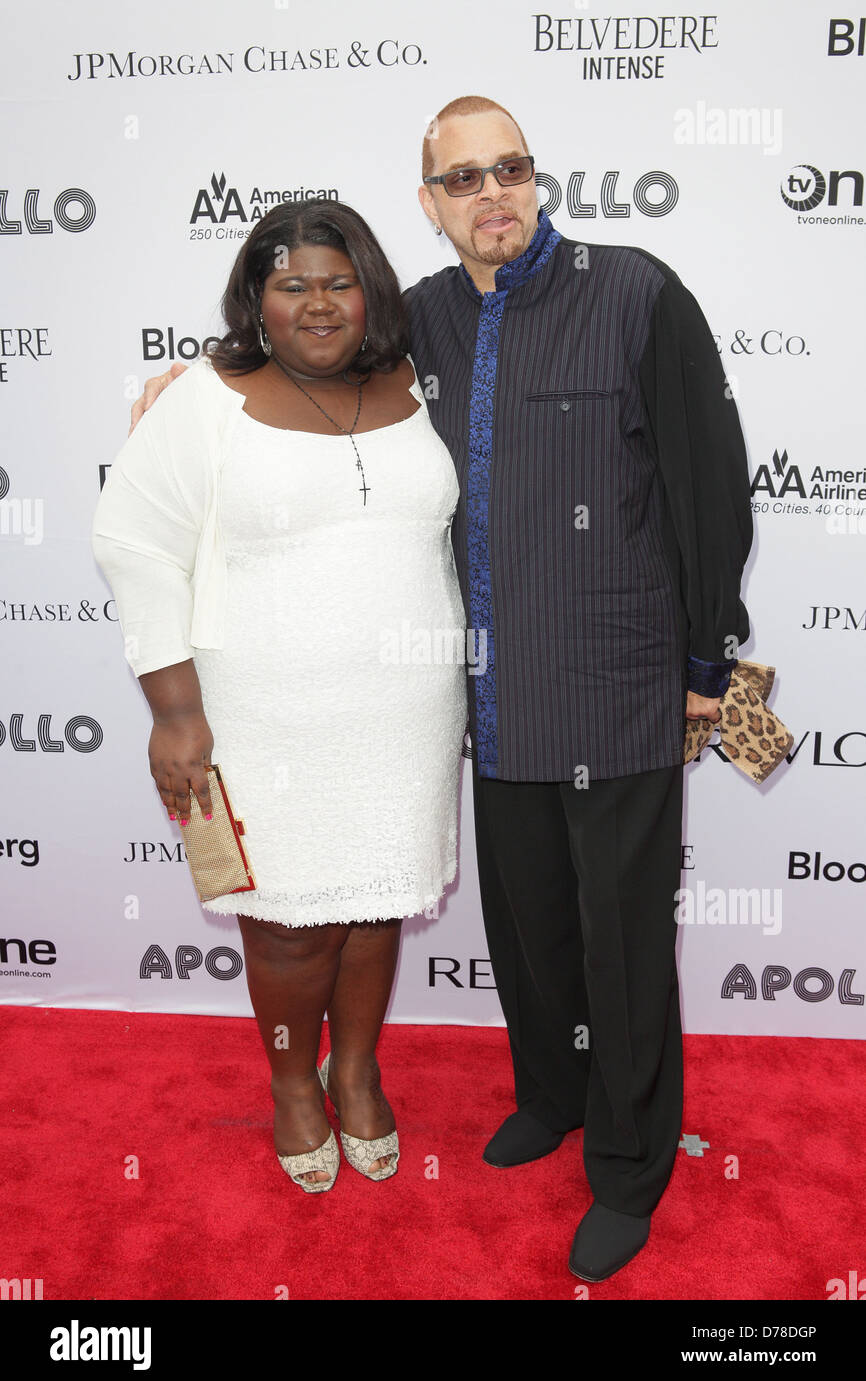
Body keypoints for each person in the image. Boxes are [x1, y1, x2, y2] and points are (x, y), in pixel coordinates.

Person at [132, 94, 753, 1283]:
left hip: (618, 683)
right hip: (485, 694)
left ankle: (628, 1165)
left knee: (622, 942)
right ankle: (551, 1095)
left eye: (508, 169)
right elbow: (295, 355)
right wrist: (192, 380)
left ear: (536, 178)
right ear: (430, 204)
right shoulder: (414, 318)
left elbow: (706, 483)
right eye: (461, 180)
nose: (490, 195)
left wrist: (700, 663)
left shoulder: (634, 293)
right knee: (526, 926)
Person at [92, 200, 468, 1194]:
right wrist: (175, 713)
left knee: (378, 902)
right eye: (291, 283)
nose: (317, 302)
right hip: (265, 711)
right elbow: (133, 542)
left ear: (368, 289)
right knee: (291, 921)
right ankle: (293, 1081)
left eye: (337, 282)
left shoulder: (413, 382)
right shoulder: (206, 398)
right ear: (256, 299)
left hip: (406, 711)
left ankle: (357, 1069)